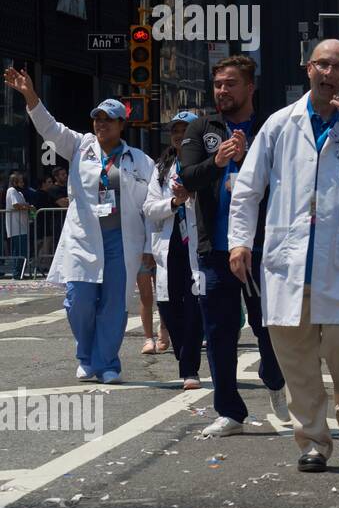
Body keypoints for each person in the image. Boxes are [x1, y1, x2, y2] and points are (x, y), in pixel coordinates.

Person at [228, 39, 339, 473]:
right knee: (296, 358)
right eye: (323, 64)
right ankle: (314, 442)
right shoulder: (281, 124)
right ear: (308, 69)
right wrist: (240, 241)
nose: (330, 74)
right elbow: (248, 188)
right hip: (290, 260)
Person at [4, 68, 154, 384]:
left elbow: (149, 207)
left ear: (121, 125)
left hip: (121, 240)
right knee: (78, 301)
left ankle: (107, 362)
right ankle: (86, 356)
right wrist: (30, 95)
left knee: (114, 305)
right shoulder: (81, 145)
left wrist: (149, 249)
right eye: (97, 118)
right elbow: (49, 128)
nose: (100, 124)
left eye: (108, 119)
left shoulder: (139, 160)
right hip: (84, 238)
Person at [179, 55, 288, 438]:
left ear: (249, 88)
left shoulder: (272, 127)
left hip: (262, 248)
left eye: (230, 84)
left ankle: (274, 377)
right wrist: (219, 160)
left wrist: (250, 161)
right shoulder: (201, 128)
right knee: (220, 332)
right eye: (218, 84)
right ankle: (230, 411)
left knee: (269, 327)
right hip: (215, 249)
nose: (222, 91)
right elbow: (187, 176)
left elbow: (289, 181)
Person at [143, 112, 204, 389]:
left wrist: (192, 197)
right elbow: (149, 208)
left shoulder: (206, 161)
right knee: (167, 307)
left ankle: (189, 368)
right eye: (175, 130)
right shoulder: (161, 168)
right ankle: (184, 355)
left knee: (194, 309)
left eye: (185, 129)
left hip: (199, 245)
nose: (179, 135)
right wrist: (175, 202)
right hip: (170, 248)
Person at [5, 172, 31, 269]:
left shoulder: (19, 193)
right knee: (19, 250)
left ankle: (21, 271)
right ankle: (17, 272)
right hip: (16, 227)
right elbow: (15, 205)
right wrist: (27, 207)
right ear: (15, 182)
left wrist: (27, 206)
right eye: (20, 181)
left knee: (23, 251)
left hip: (23, 226)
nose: (23, 183)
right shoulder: (11, 190)